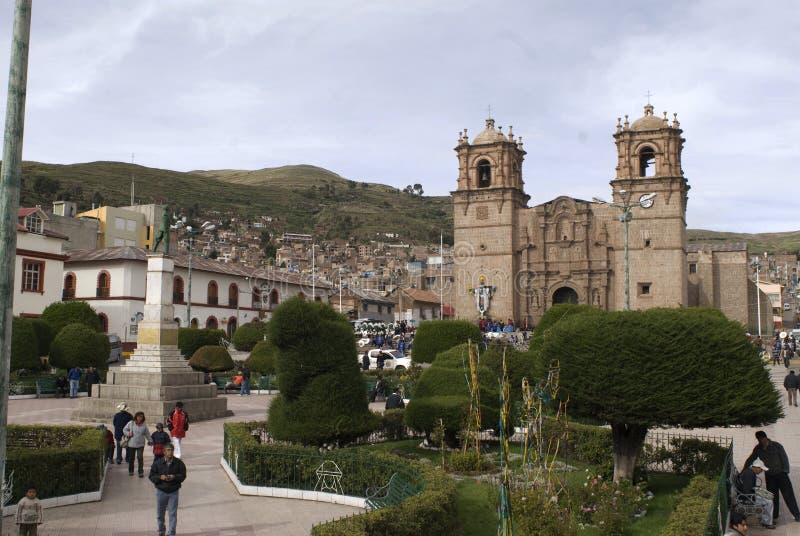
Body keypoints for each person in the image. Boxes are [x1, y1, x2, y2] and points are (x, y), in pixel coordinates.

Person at [744, 431, 800, 522]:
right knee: (773, 497)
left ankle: (797, 515)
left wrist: (785, 471)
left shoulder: (777, 446)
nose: (761, 441)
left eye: (762, 439)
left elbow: (784, 458)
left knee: (789, 496)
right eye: (759, 440)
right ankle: (774, 515)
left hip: (781, 475)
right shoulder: (758, 449)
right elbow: (751, 459)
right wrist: (743, 470)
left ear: (765, 437)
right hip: (770, 476)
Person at [149, 443, 187, 536]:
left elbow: (183, 476)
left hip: (173, 492)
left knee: (172, 514)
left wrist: (174, 477)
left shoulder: (179, 463)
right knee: (160, 514)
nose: (170, 452)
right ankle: (161, 531)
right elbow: (151, 476)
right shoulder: (157, 463)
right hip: (161, 492)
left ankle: (172, 533)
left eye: (171, 450)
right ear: (164, 452)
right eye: (168, 450)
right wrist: (160, 477)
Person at [737, 458, 776, 529]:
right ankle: (767, 522)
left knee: (767, 498)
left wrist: (759, 492)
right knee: (769, 502)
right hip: (747, 497)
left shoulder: (749, 472)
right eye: (761, 469)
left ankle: (767, 519)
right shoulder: (749, 474)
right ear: (757, 468)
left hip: (747, 495)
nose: (761, 471)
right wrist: (758, 494)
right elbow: (747, 491)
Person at [123, 411, 152, 477]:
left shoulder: (144, 424)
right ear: (136, 417)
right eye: (139, 416)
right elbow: (124, 430)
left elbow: (147, 433)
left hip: (140, 444)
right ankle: (131, 471)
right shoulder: (131, 423)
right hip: (131, 444)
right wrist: (128, 433)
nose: (140, 418)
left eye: (141, 417)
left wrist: (150, 440)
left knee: (140, 457)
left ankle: (140, 472)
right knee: (131, 458)